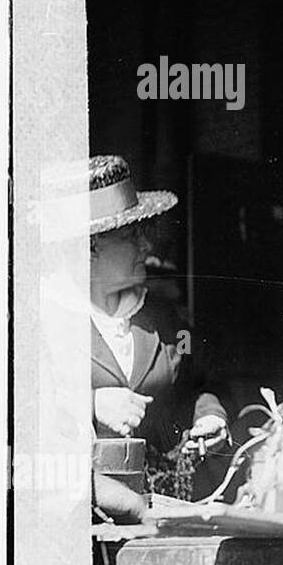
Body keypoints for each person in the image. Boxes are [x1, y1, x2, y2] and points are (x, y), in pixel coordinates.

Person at [78, 155, 233, 500]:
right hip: (79, 519)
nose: (146, 247)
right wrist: (88, 404)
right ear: (90, 248)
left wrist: (211, 417)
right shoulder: (43, 322)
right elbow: (12, 411)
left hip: (160, 508)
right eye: (132, 235)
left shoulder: (164, 320)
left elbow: (200, 384)